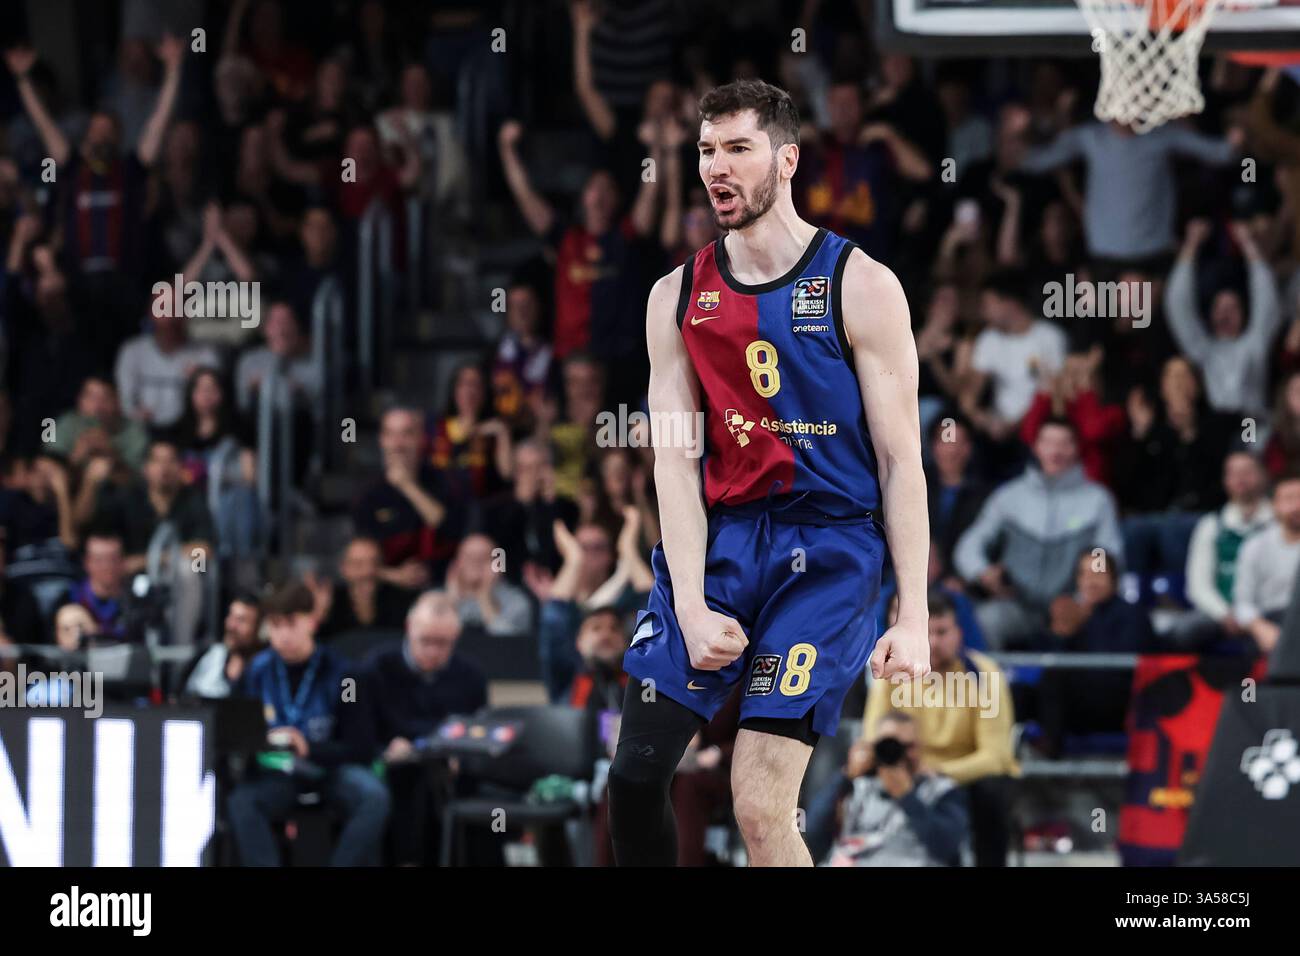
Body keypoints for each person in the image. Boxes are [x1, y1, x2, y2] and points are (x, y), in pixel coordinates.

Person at [608, 79, 930, 868]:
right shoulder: (675, 296)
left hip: (829, 553)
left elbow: (900, 460)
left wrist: (914, 614)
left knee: (759, 808)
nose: (717, 167)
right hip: (722, 542)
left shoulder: (862, 284)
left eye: (738, 149)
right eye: (707, 151)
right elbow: (676, 463)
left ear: (786, 159)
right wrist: (687, 602)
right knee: (633, 778)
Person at [225, 582, 389, 867]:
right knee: (242, 801)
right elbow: (235, 731)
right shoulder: (256, 671)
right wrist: (263, 741)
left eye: (291, 624)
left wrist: (308, 748)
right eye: (275, 626)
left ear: (311, 622)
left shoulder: (344, 674)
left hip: (330, 768)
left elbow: (361, 747)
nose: (283, 635)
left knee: (374, 797)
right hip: (277, 770)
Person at [864, 589, 1016, 866]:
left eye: (942, 632)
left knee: (992, 790)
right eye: (927, 632)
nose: (933, 642)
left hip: (964, 776)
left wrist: (940, 772)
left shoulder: (985, 673)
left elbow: (996, 757)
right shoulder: (893, 672)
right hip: (909, 771)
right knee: (852, 776)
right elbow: (873, 736)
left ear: (958, 632)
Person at [955, 417, 1124, 649]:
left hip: (1073, 606)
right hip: (1017, 605)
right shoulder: (1009, 496)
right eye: (1049, 442)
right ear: (1036, 447)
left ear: (1076, 449)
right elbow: (970, 545)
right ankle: (989, 686)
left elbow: (1107, 555)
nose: (1056, 450)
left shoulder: (1097, 500)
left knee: (1112, 624)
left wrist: (1082, 600)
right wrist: (983, 572)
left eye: (1065, 443)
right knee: (986, 620)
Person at [361, 590, 487, 866]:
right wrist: (386, 748)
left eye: (443, 643)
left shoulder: (471, 675)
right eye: (426, 641)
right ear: (409, 628)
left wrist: (460, 753)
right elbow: (361, 730)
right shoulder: (377, 667)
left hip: (447, 767)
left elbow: (476, 732)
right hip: (392, 765)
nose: (433, 651)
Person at [806, 711, 969, 866]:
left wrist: (907, 798)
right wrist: (846, 776)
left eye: (908, 746)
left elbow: (947, 847)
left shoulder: (941, 790)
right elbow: (811, 835)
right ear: (874, 746)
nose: (898, 753)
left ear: (920, 748)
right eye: (889, 744)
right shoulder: (855, 785)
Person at [1178, 452, 1273, 650]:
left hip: (1269, 612)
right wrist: (1225, 614)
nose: (1240, 479)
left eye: (1247, 472)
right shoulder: (1210, 525)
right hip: (1221, 613)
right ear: (1225, 480)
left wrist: (1253, 620)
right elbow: (1198, 585)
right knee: (1183, 632)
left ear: (1263, 476)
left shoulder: (1279, 524)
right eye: (1233, 473)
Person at [1233, 474, 1300, 656]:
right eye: (1289, 499)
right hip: (1269, 620)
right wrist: (1260, 628)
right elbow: (1242, 603)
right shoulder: (1255, 546)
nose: (1296, 506)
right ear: (1274, 506)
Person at [183, 593, 264, 699]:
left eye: (241, 620)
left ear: (258, 629)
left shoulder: (264, 668)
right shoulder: (210, 654)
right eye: (231, 616)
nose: (231, 626)